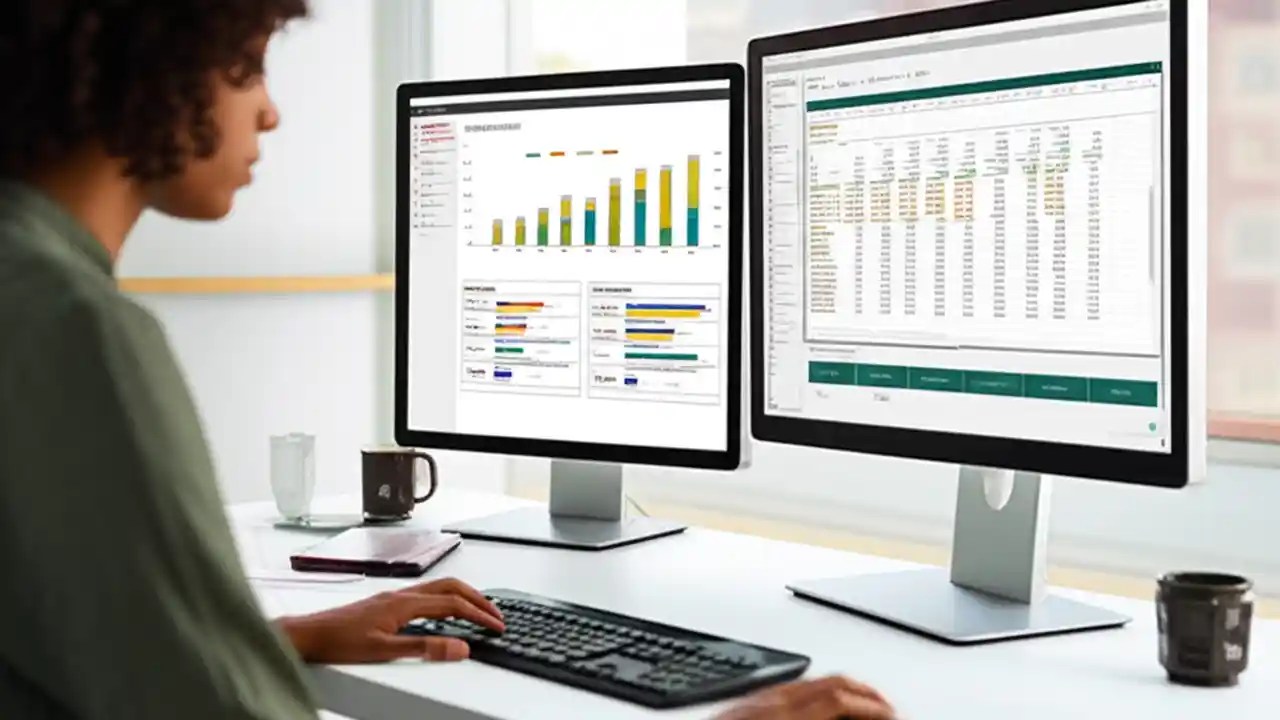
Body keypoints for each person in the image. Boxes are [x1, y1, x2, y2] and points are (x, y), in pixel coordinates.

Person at [0, 2, 896, 719]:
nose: (269, 109)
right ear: (151, 55)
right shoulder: (73, 330)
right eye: (252, 56)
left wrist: (283, 638)